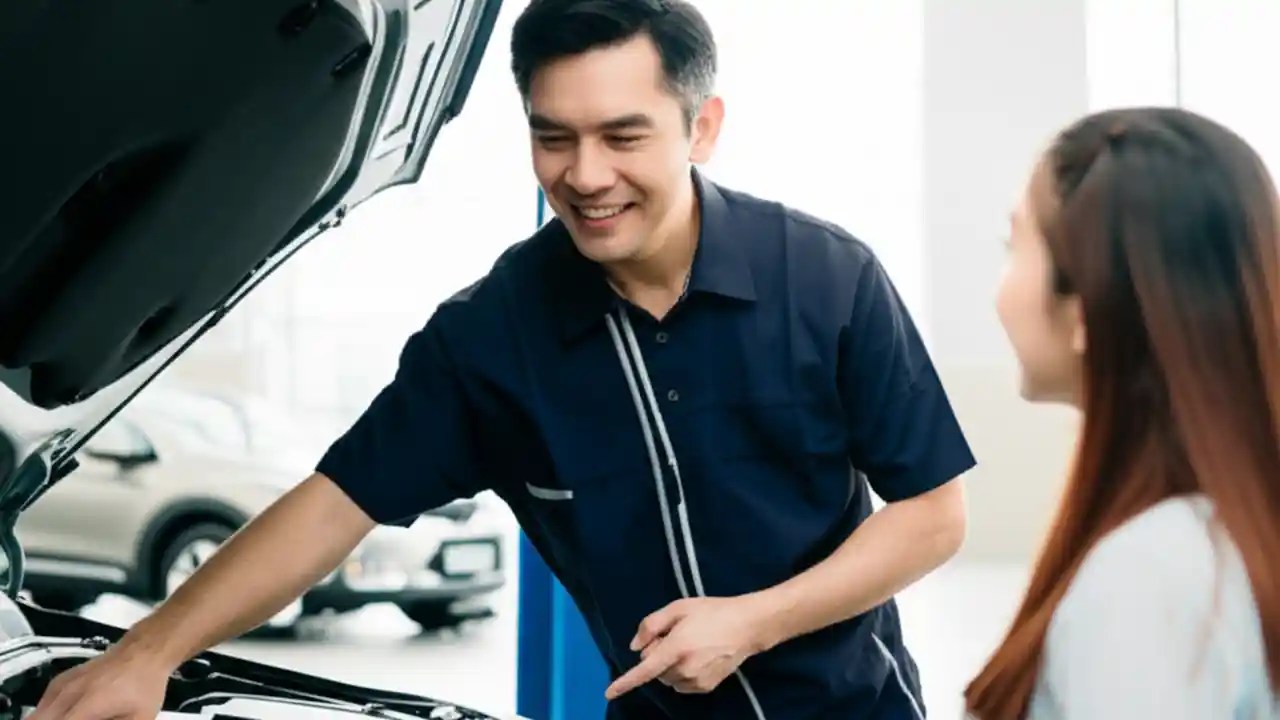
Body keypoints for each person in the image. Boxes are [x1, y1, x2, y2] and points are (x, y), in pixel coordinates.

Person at [29, 1, 975, 718]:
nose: (586, 174)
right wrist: (146, 652)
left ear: (703, 127)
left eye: (622, 136)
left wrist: (752, 620)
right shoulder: (493, 335)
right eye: (551, 135)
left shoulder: (826, 276)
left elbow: (933, 515)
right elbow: (331, 505)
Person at [966, 106, 1280, 719]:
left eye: (1014, 246)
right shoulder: (1222, 537)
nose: (997, 293)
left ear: (1082, 307)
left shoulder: (1147, 580)